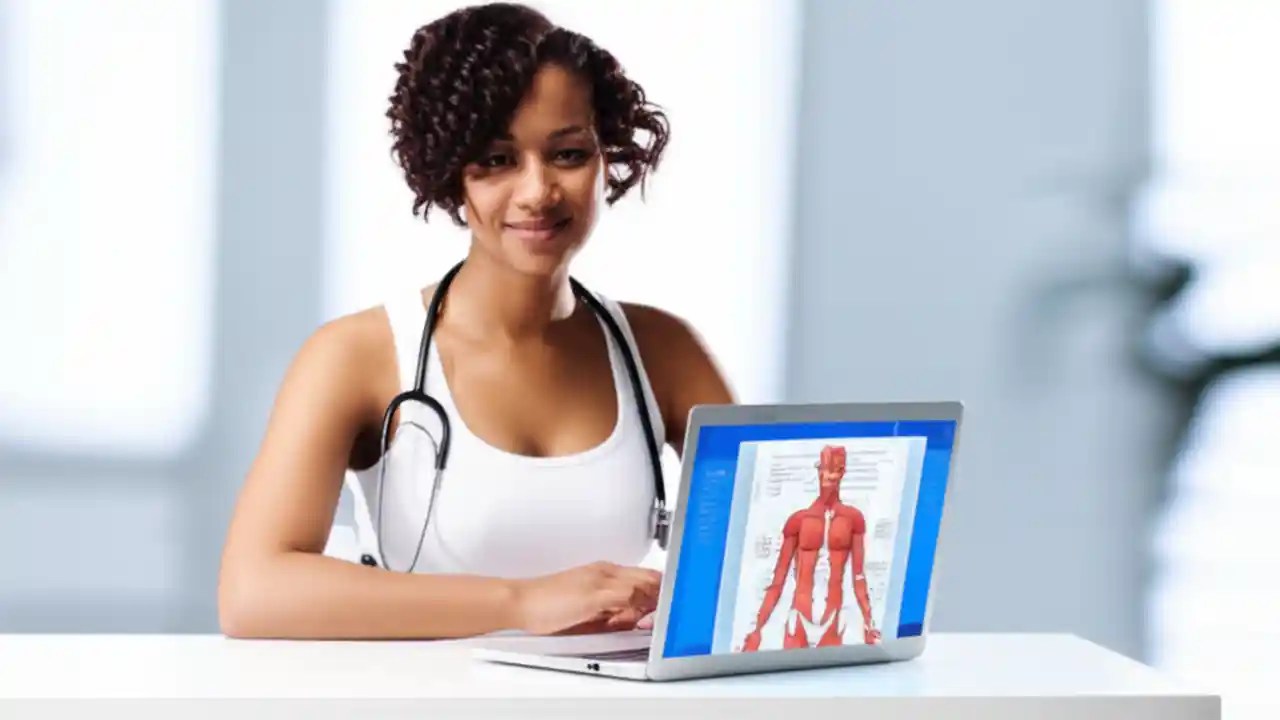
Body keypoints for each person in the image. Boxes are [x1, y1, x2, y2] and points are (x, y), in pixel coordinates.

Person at [217, 2, 734, 640]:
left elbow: (767, 547)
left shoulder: (664, 350)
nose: (537, 191)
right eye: (495, 160)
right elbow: (253, 591)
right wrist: (521, 604)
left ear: (605, 156)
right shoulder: (357, 357)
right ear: (446, 170)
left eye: (568, 154)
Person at [740, 445, 879, 651]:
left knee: (830, 680)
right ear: (818, 470)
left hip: (833, 618)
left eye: (836, 468)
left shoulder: (853, 519)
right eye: (825, 467)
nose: (830, 474)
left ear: (843, 472)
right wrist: (757, 629)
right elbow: (778, 581)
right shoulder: (799, 520)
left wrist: (869, 623)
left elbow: (858, 577)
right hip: (800, 617)